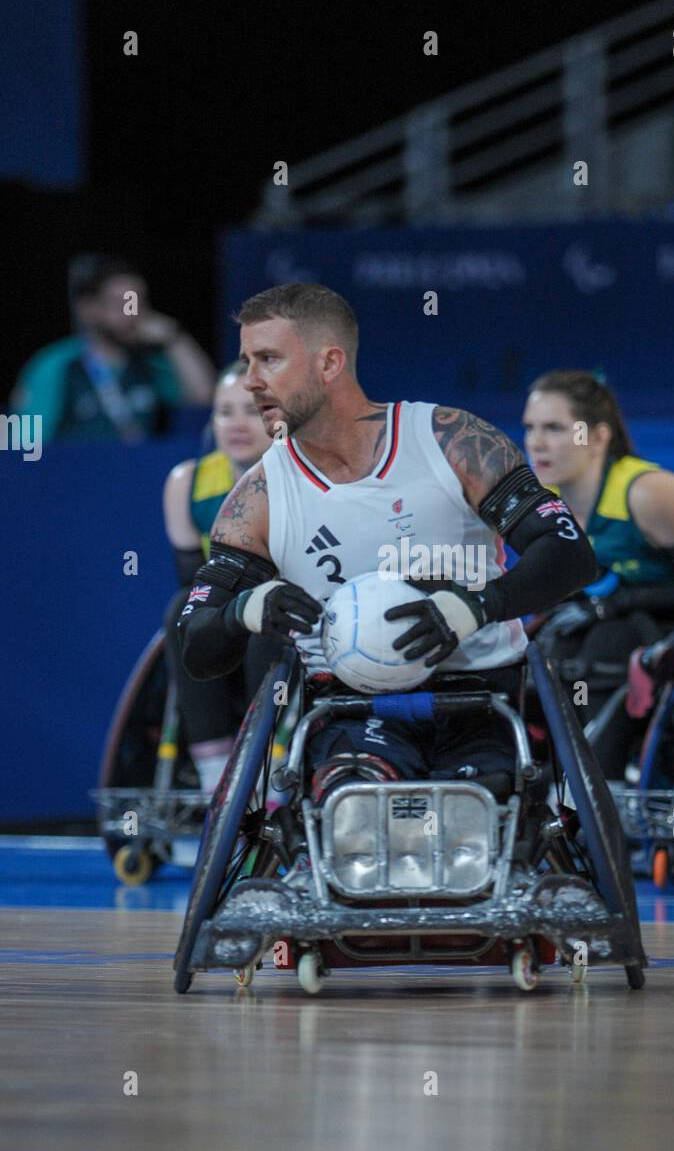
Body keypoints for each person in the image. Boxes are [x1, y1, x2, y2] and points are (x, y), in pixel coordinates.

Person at [176, 283, 599, 805]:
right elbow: (196, 645)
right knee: (359, 807)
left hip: (484, 702)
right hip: (348, 713)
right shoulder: (257, 498)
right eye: (246, 361)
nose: (250, 382)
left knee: (478, 811)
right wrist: (242, 608)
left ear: (330, 363)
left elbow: (570, 554)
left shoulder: (451, 439)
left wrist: (479, 606)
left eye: (268, 360)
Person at [522, 370, 674, 775]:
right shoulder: (546, 505)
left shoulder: (648, 493)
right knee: (537, 655)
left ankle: (605, 787)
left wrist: (616, 604)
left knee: (606, 643)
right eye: (530, 428)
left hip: (673, 630)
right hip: (605, 623)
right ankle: (543, 788)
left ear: (598, 437)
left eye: (554, 428)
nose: (536, 443)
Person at [162, 364, 278, 794]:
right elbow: (193, 580)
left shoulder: (302, 477)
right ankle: (215, 776)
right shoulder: (186, 482)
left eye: (251, 410)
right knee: (181, 611)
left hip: (285, 610)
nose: (237, 424)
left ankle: (265, 760)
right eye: (224, 412)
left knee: (268, 617)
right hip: (224, 607)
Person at [12, 255, 215, 443]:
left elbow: (203, 397)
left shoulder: (151, 362)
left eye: (138, 302)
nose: (133, 314)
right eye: (122, 303)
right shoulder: (57, 364)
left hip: (139, 472)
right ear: (88, 309)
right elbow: (25, 440)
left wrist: (174, 338)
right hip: (71, 476)